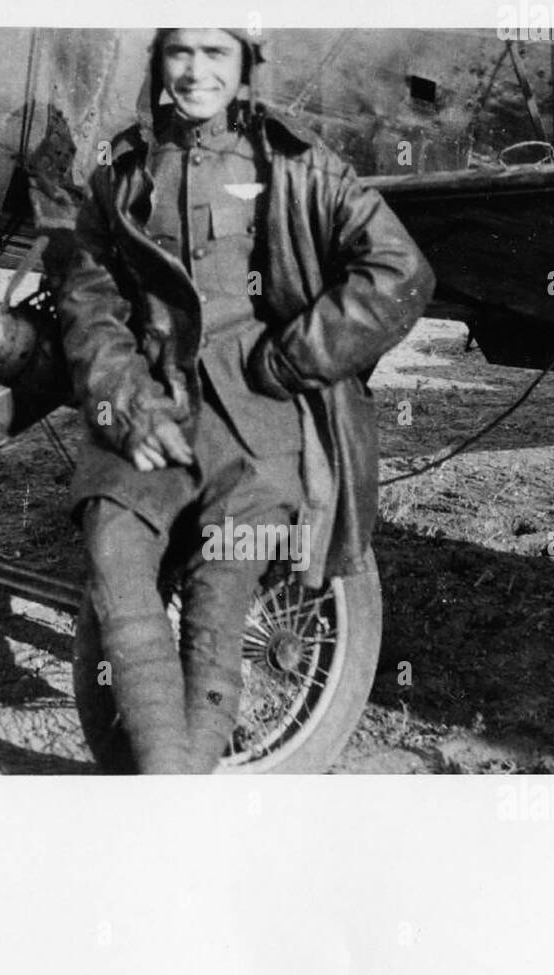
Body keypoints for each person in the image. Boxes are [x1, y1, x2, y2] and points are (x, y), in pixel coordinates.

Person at [57, 27, 435, 774]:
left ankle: (171, 790)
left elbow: (401, 270)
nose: (197, 72)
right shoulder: (123, 169)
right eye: (180, 51)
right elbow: (87, 293)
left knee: (221, 588)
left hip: (261, 421)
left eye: (216, 53)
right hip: (156, 406)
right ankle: (177, 791)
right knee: (114, 547)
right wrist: (124, 396)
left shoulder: (296, 164)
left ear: (245, 64)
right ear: (159, 60)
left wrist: (295, 357)